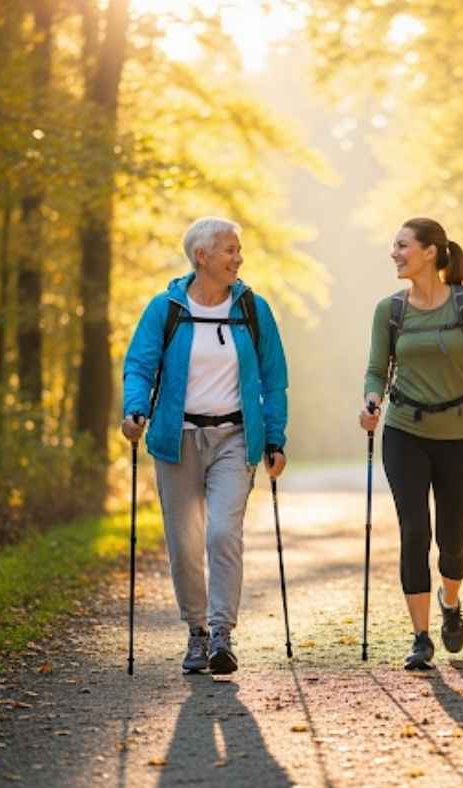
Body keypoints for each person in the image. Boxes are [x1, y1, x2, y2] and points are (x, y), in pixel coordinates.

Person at [121, 216, 288, 675]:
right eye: (230, 250)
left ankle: (220, 633)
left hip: (235, 436)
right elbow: (139, 366)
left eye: (238, 249)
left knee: (222, 533)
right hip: (177, 440)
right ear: (202, 256)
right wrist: (135, 409)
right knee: (185, 541)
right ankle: (195, 631)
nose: (239, 258)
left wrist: (275, 437)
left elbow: (274, 379)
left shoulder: (252, 308)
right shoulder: (166, 309)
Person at [360, 217, 463, 670]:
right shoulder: (389, 310)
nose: (394, 253)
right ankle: (421, 636)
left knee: (452, 541)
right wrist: (371, 401)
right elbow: (376, 370)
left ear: (430, 252)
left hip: (459, 436)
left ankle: (450, 601)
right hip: (405, 432)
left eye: (402, 245)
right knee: (415, 530)